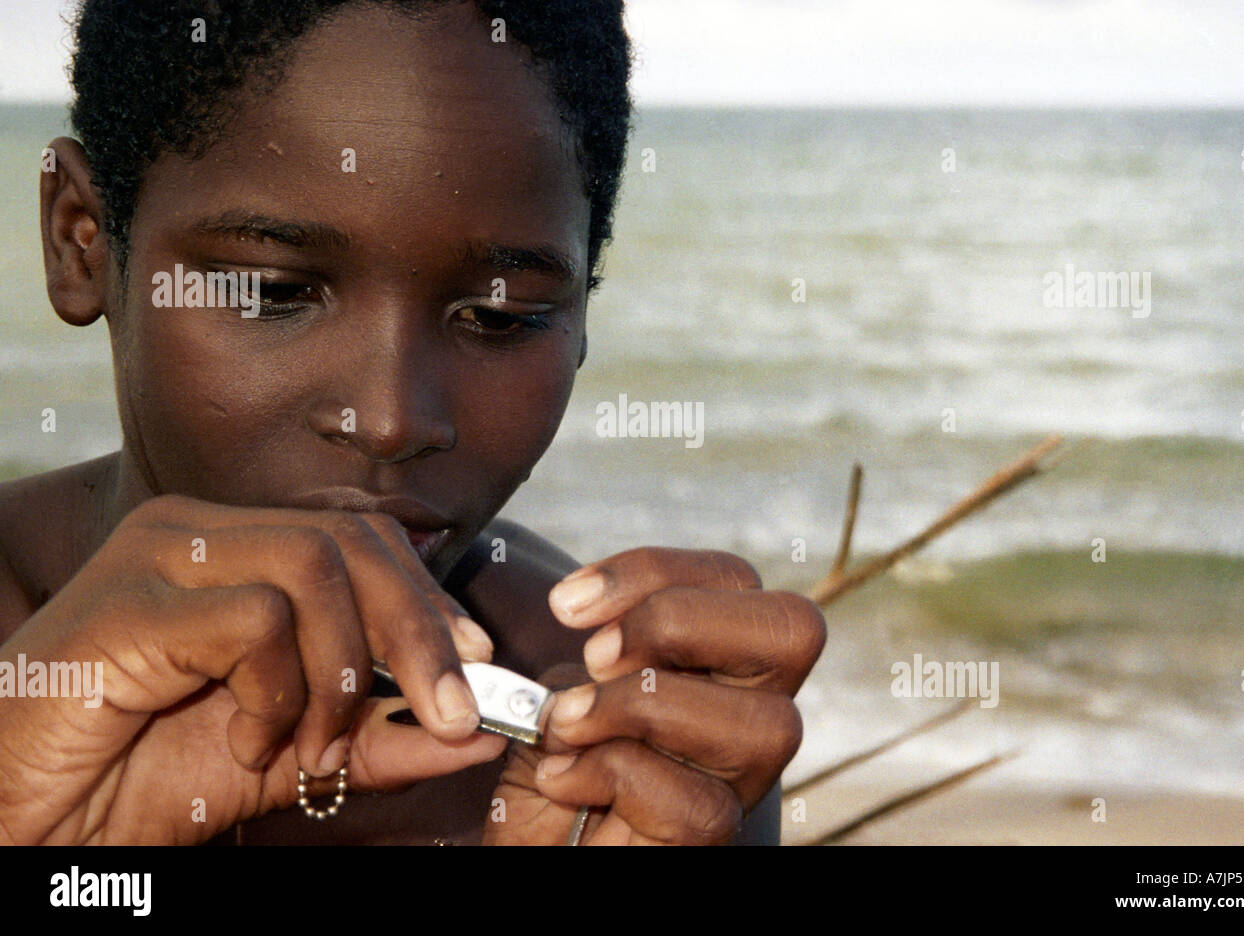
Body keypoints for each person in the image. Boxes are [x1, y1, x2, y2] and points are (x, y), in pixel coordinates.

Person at [0, 0, 825, 845]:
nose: (390, 421)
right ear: (82, 240)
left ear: (582, 310)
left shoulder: (625, 753)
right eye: (271, 292)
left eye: (500, 318)